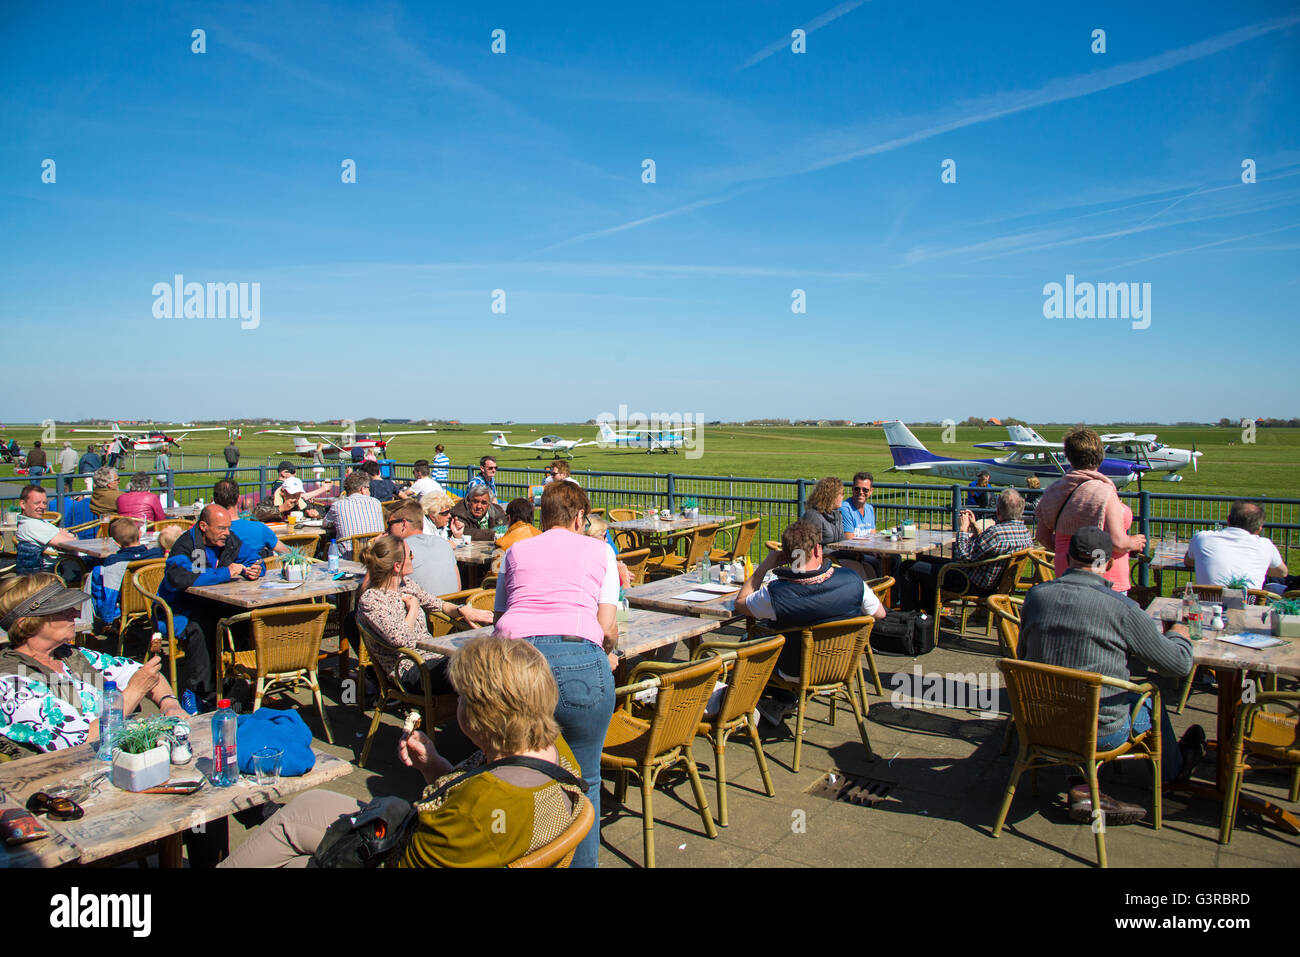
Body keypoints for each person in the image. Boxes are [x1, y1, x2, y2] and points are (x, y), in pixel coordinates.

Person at [219, 635, 585, 868]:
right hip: (441, 838)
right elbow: (473, 808)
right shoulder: (553, 749)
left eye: (460, 697)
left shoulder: (486, 807)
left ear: (481, 716)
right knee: (304, 807)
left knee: (288, 855)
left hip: (400, 851)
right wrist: (435, 767)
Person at [1018, 527, 1204, 819]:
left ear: (1066, 557)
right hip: (1099, 731)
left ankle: (1080, 784)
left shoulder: (1036, 596)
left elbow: (1022, 656)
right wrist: (1180, 634)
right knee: (1151, 698)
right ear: (1107, 563)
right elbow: (1178, 665)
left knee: (1072, 689)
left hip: (1041, 722)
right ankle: (1173, 772)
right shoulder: (1123, 608)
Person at [493, 481, 620, 868]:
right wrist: (604, 651)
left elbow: (499, 618)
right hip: (578, 658)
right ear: (580, 516)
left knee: (511, 775)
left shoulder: (516, 551)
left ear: (544, 516)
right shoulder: (600, 551)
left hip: (516, 663)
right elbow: (607, 626)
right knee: (586, 779)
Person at [0, 574, 187, 754]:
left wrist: (169, 704)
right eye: (62, 610)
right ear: (25, 624)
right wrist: (136, 690)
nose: (75, 612)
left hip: (116, 759)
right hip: (66, 775)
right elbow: (82, 741)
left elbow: (145, 673)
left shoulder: (69, 655)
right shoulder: (11, 683)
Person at [734, 520, 886, 725]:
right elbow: (879, 613)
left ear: (786, 556)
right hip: (841, 666)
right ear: (817, 549)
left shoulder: (777, 593)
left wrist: (765, 566)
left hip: (794, 670)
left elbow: (741, 603)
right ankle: (780, 702)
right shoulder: (853, 581)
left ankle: (759, 704)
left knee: (748, 640)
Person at [355, 534, 491, 695]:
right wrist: (413, 609)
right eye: (410, 554)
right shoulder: (372, 600)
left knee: (488, 657)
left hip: (433, 658)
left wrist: (462, 610)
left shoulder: (406, 585)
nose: (414, 557)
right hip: (411, 669)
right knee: (477, 665)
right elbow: (400, 639)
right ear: (397, 566)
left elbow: (437, 604)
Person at [158, 505, 264, 702]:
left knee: (245, 620)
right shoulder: (186, 545)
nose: (226, 533)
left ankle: (240, 684)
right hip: (181, 608)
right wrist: (225, 573)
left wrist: (256, 569)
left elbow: (255, 558)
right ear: (204, 526)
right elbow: (180, 578)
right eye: (221, 528)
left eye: (228, 528)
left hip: (214, 603)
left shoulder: (229, 540)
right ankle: (198, 692)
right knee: (203, 628)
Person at [1034, 427, 1146, 593]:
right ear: (1100, 455)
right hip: (1105, 576)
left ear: (1069, 456)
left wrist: (1069, 553)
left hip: (1066, 571)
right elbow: (1118, 543)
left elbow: (1042, 536)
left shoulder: (1054, 491)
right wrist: (1134, 542)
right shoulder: (1105, 492)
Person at [901, 488, 1034, 614]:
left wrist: (963, 529)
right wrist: (975, 527)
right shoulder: (1024, 533)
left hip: (971, 582)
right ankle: (929, 614)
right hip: (992, 582)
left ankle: (909, 618)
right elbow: (983, 550)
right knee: (924, 560)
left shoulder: (996, 533)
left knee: (908, 567)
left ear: (998, 511)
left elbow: (962, 557)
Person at [1184, 501, 1288, 591]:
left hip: (1206, 607)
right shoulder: (1265, 545)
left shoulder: (1202, 538)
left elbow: (1188, 561)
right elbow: (1282, 572)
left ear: (1228, 520)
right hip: (1248, 608)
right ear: (1258, 529)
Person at [89, 517, 165, 627]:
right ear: (139, 534)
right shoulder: (157, 555)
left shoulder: (113, 561)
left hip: (126, 604)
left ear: (116, 543)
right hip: (155, 601)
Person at [801, 476, 876, 579]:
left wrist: (854, 554)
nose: (843, 497)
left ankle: (875, 593)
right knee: (857, 567)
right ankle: (864, 594)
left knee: (869, 567)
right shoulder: (814, 516)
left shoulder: (837, 515)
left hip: (836, 558)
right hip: (823, 562)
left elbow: (841, 542)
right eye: (841, 494)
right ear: (831, 495)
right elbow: (810, 548)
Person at [384, 500, 462, 595]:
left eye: (389, 524)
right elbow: (458, 587)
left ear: (403, 524)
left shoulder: (399, 548)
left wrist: (376, 552)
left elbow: (372, 592)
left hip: (420, 608)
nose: (387, 531)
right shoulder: (444, 543)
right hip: (452, 605)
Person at [212, 479, 289, 557]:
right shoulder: (259, 528)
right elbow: (287, 553)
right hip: (258, 567)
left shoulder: (209, 531)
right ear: (239, 498)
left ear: (215, 500)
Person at [13, 485, 76, 573]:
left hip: (63, 565)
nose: (42, 507)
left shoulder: (34, 522)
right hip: (59, 571)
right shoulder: (33, 525)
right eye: (37, 503)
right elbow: (72, 544)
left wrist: (67, 535)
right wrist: (69, 535)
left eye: (44, 503)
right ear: (23, 504)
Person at [323, 470, 384, 558]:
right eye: (368, 488)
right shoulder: (376, 503)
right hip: (374, 555)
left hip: (347, 557)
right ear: (363, 489)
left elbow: (326, 524)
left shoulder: (338, 505)